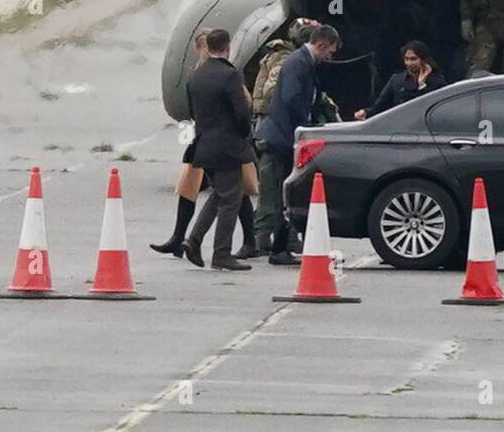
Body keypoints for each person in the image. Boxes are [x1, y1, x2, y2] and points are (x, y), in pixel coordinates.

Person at [250, 21, 340, 253]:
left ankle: (283, 240)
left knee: (282, 190)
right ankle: (265, 240)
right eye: (330, 52)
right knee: (273, 191)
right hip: (280, 137)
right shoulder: (297, 63)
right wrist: (306, 125)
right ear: (321, 44)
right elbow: (292, 99)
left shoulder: (303, 62)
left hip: (284, 136)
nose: (330, 57)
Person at [180, 29, 256, 271]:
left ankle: (193, 241)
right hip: (227, 147)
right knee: (230, 201)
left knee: (220, 195)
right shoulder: (230, 75)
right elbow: (242, 112)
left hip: (204, 145)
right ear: (227, 47)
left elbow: (192, 112)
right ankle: (221, 252)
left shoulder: (196, 76)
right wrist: (244, 133)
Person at [150, 28, 211, 258]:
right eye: (205, 46)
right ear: (198, 49)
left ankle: (252, 239)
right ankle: (179, 237)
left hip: (216, 141)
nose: (208, 51)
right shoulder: (197, 72)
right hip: (202, 140)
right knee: (192, 189)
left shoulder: (217, 71)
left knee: (234, 191)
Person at [355, 40, 446, 119]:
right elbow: (380, 106)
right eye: (407, 59)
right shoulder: (397, 80)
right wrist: (365, 112)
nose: (409, 63)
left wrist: (422, 85)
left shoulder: (437, 82)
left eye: (414, 59)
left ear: (423, 60)